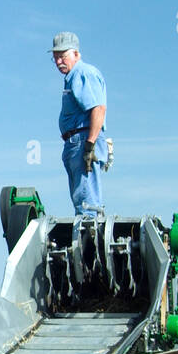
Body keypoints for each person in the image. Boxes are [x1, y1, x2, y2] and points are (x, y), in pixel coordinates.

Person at [52, 31, 109, 216]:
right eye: (55, 58)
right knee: (81, 199)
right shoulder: (72, 77)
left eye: (62, 56)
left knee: (86, 203)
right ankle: (86, 235)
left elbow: (98, 108)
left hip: (83, 139)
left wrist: (89, 146)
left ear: (76, 54)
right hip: (75, 142)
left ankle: (88, 240)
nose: (59, 61)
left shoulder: (83, 73)